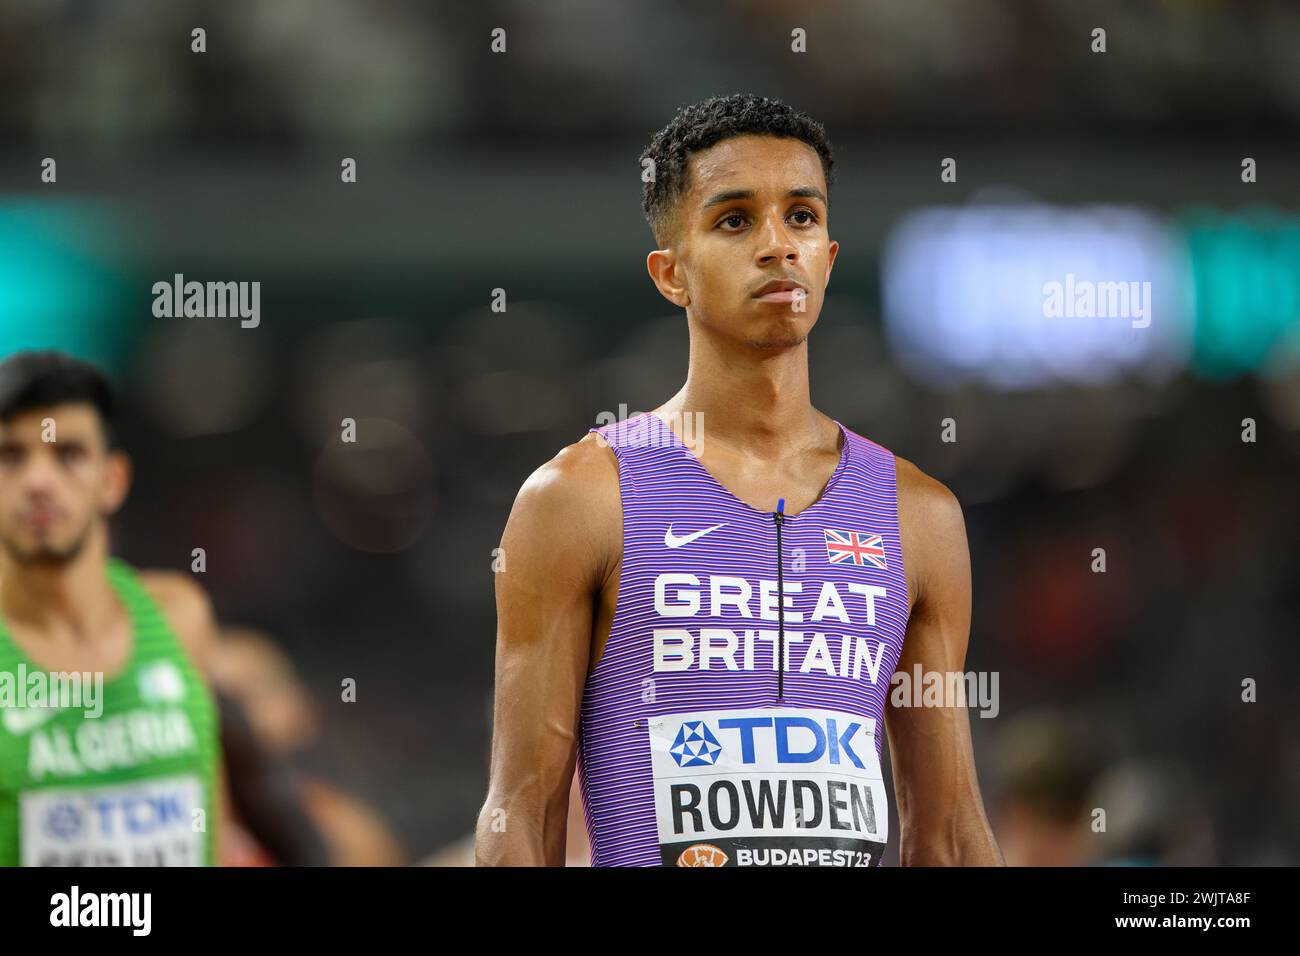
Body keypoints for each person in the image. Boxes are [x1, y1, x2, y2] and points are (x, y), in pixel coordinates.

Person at [477, 94, 1002, 866]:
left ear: (828, 256)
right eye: (733, 220)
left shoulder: (918, 513)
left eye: (801, 217)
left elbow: (951, 836)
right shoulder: (580, 499)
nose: (777, 246)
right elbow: (519, 813)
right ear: (671, 273)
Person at [0, 350, 221, 866]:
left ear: (113, 480)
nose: (38, 481)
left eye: (68, 454)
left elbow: (210, 806)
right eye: (10, 456)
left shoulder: (178, 618)